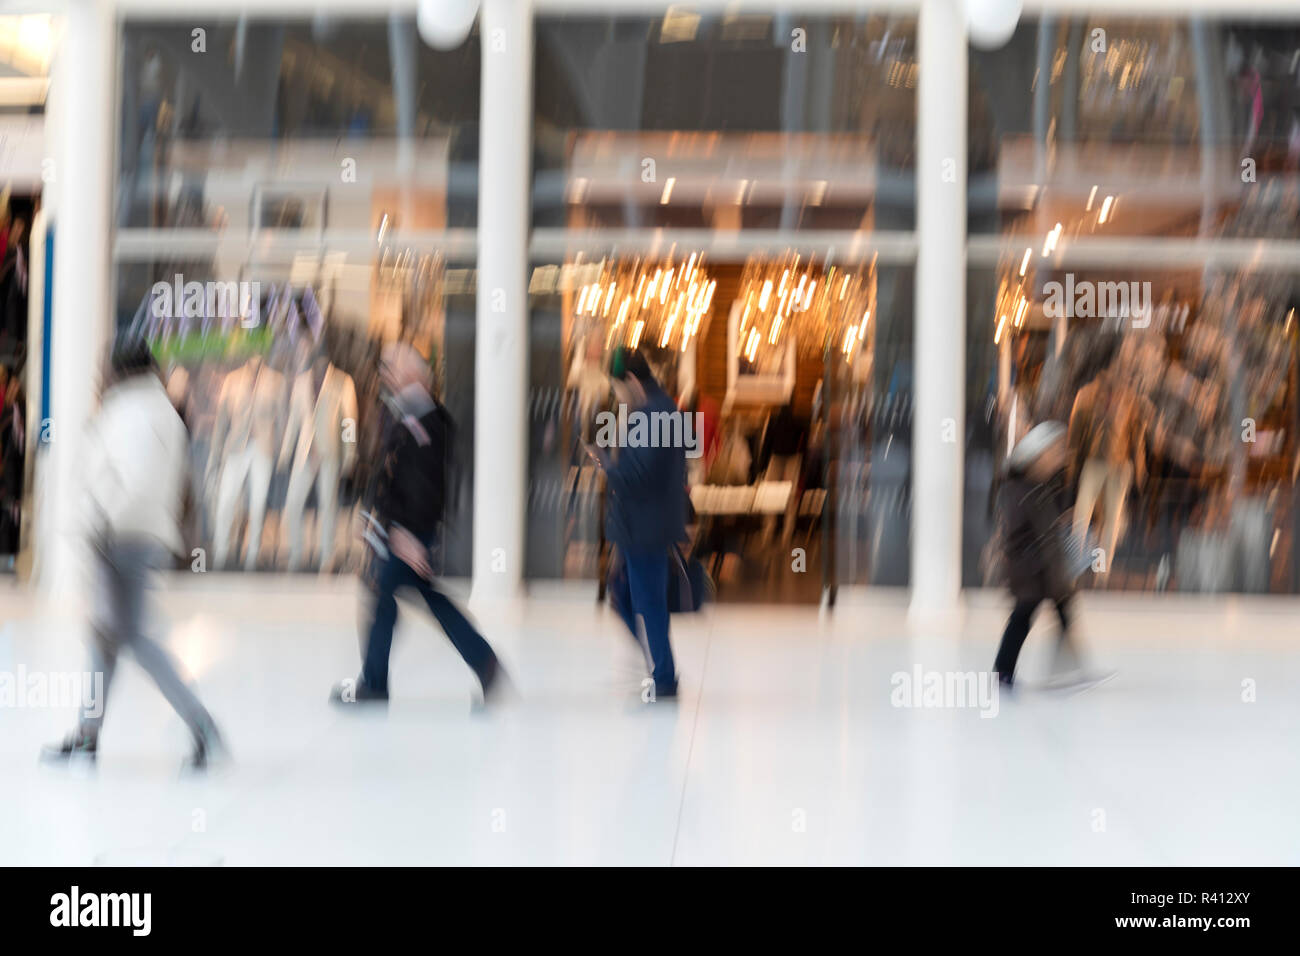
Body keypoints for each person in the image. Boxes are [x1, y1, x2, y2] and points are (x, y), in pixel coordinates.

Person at [42, 337, 225, 770]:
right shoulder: (161, 410)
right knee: (105, 639)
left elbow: (129, 478)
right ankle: (88, 734)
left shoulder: (128, 411)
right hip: (141, 537)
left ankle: (201, 724)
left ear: (120, 368)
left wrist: (99, 519)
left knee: (135, 637)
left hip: (118, 537)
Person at [331, 342, 504, 708]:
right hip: (398, 530)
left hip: (407, 532)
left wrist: (410, 533)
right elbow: (389, 469)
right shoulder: (406, 411)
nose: (384, 373)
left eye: (391, 366)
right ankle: (484, 662)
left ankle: (374, 684)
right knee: (417, 599)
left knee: (384, 599)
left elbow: (425, 484)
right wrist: (371, 515)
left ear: (411, 373)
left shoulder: (427, 418)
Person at [590, 348, 687, 702]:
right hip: (643, 525)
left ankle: (663, 676)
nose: (617, 396)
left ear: (631, 381)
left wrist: (605, 464)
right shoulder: (655, 410)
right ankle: (661, 670)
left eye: (617, 387)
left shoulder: (656, 414)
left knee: (646, 602)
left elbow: (639, 475)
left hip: (646, 526)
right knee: (630, 597)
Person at [992, 421, 1111, 692]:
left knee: (1060, 613)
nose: (1060, 457)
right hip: (1031, 571)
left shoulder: (1036, 486)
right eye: (1054, 452)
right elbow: (1020, 532)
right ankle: (1003, 672)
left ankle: (1069, 667)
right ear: (1037, 456)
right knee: (1022, 619)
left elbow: (1041, 526)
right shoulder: (1019, 489)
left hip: (1042, 569)